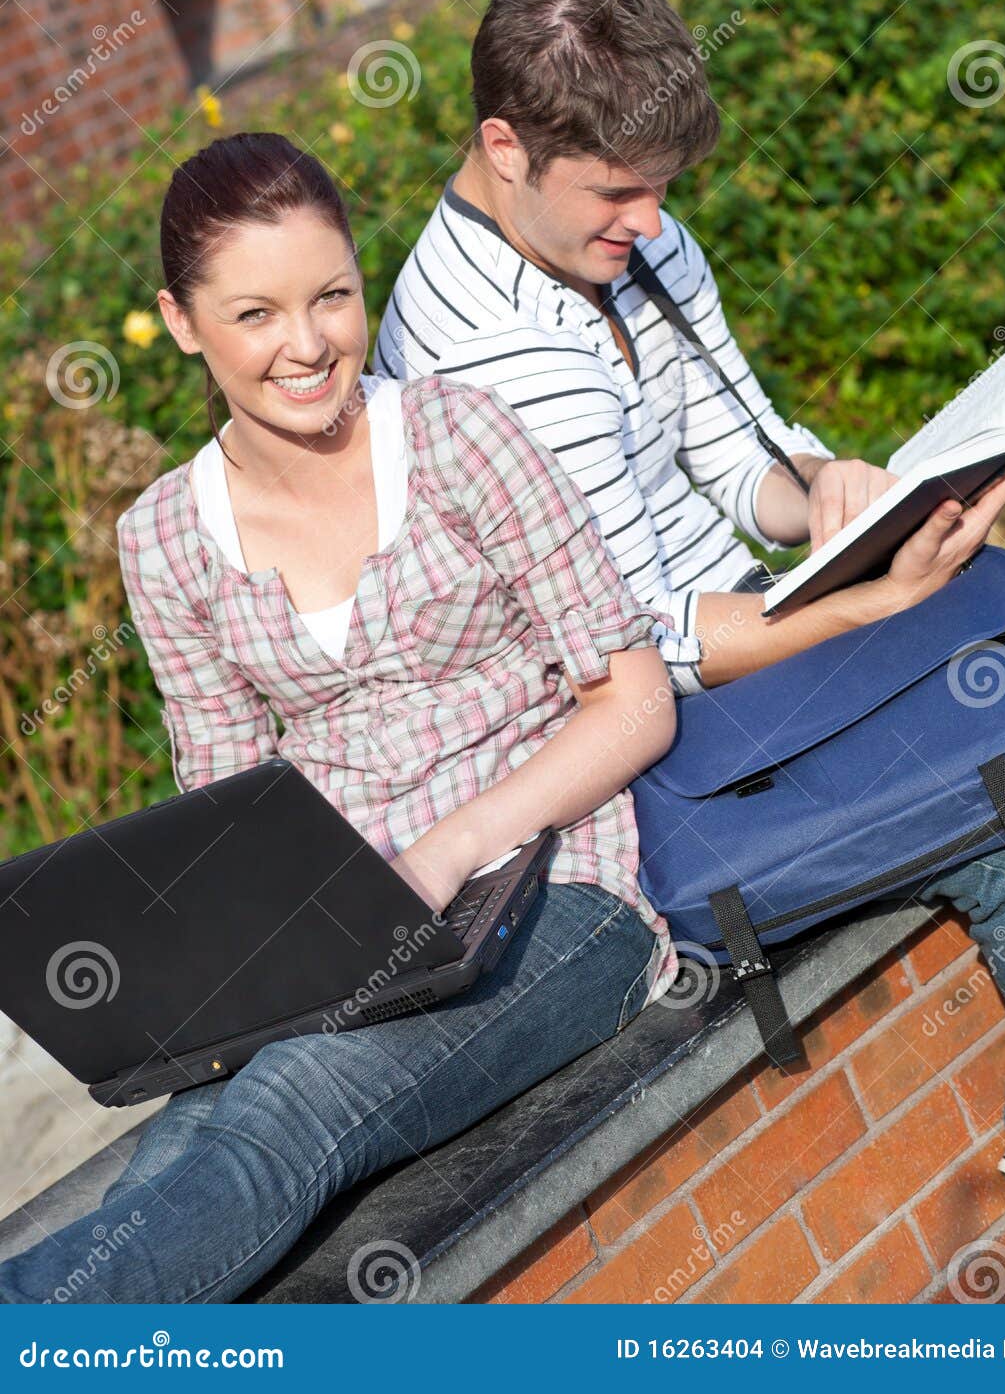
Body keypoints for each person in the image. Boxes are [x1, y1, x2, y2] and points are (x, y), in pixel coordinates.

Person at [376, 0, 1005, 1215]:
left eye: (660, 191)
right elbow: (633, 644)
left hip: (766, 635)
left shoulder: (618, 237)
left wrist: (842, 492)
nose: (648, 222)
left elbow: (738, 454)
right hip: (657, 733)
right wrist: (869, 602)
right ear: (502, 145)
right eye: (619, 193)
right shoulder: (483, 358)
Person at [0, 132, 679, 1304]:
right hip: (328, 951)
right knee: (160, 1167)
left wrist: (449, 846)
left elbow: (632, 698)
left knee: (289, 1105)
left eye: (331, 296)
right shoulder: (163, 540)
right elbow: (227, 815)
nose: (307, 344)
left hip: (553, 900)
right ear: (181, 320)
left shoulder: (461, 436)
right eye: (256, 313)